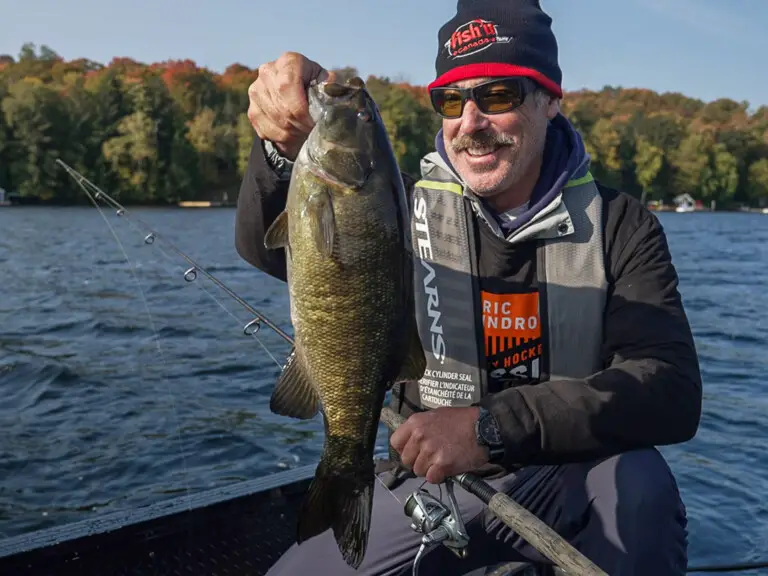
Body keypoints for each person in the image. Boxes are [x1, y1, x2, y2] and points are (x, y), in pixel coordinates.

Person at [235, 0, 703, 574]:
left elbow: (669, 388)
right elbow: (266, 247)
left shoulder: (622, 226)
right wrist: (278, 147)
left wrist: (491, 428)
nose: (471, 123)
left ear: (551, 100)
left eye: (498, 96)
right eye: (451, 102)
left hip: (572, 480)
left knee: (642, 487)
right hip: (429, 482)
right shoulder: (393, 207)